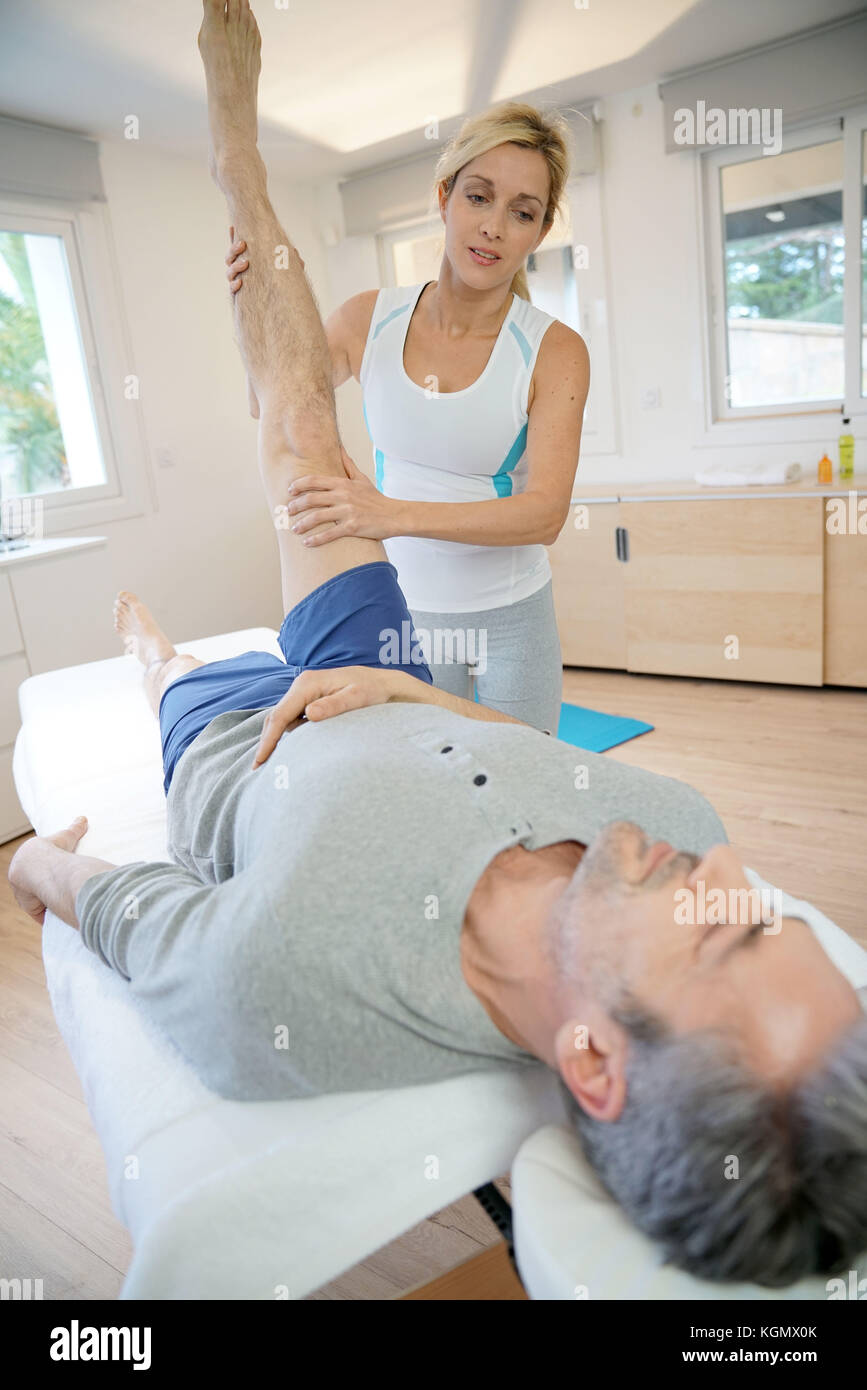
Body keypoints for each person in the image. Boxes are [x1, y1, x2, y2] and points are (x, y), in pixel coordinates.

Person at [10, 0, 866, 1289]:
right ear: (450, 195)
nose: (729, 863)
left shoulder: (286, 978)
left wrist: (42, 879)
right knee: (298, 432)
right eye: (767, 907)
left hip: (261, 745)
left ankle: (150, 647)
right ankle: (234, 158)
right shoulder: (671, 811)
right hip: (395, 660)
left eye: (727, 928)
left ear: (594, 1062)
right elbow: (286, 387)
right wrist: (408, 681)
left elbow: (127, 912)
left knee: (180, 678)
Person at [225, 103, 590, 735]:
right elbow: (270, 403)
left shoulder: (554, 350)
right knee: (425, 788)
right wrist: (245, 309)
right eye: (479, 197)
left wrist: (389, 513)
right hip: (407, 617)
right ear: (445, 197)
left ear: (541, 229)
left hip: (512, 619)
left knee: (523, 788)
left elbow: (546, 513)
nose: (494, 228)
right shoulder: (371, 320)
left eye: (522, 212)